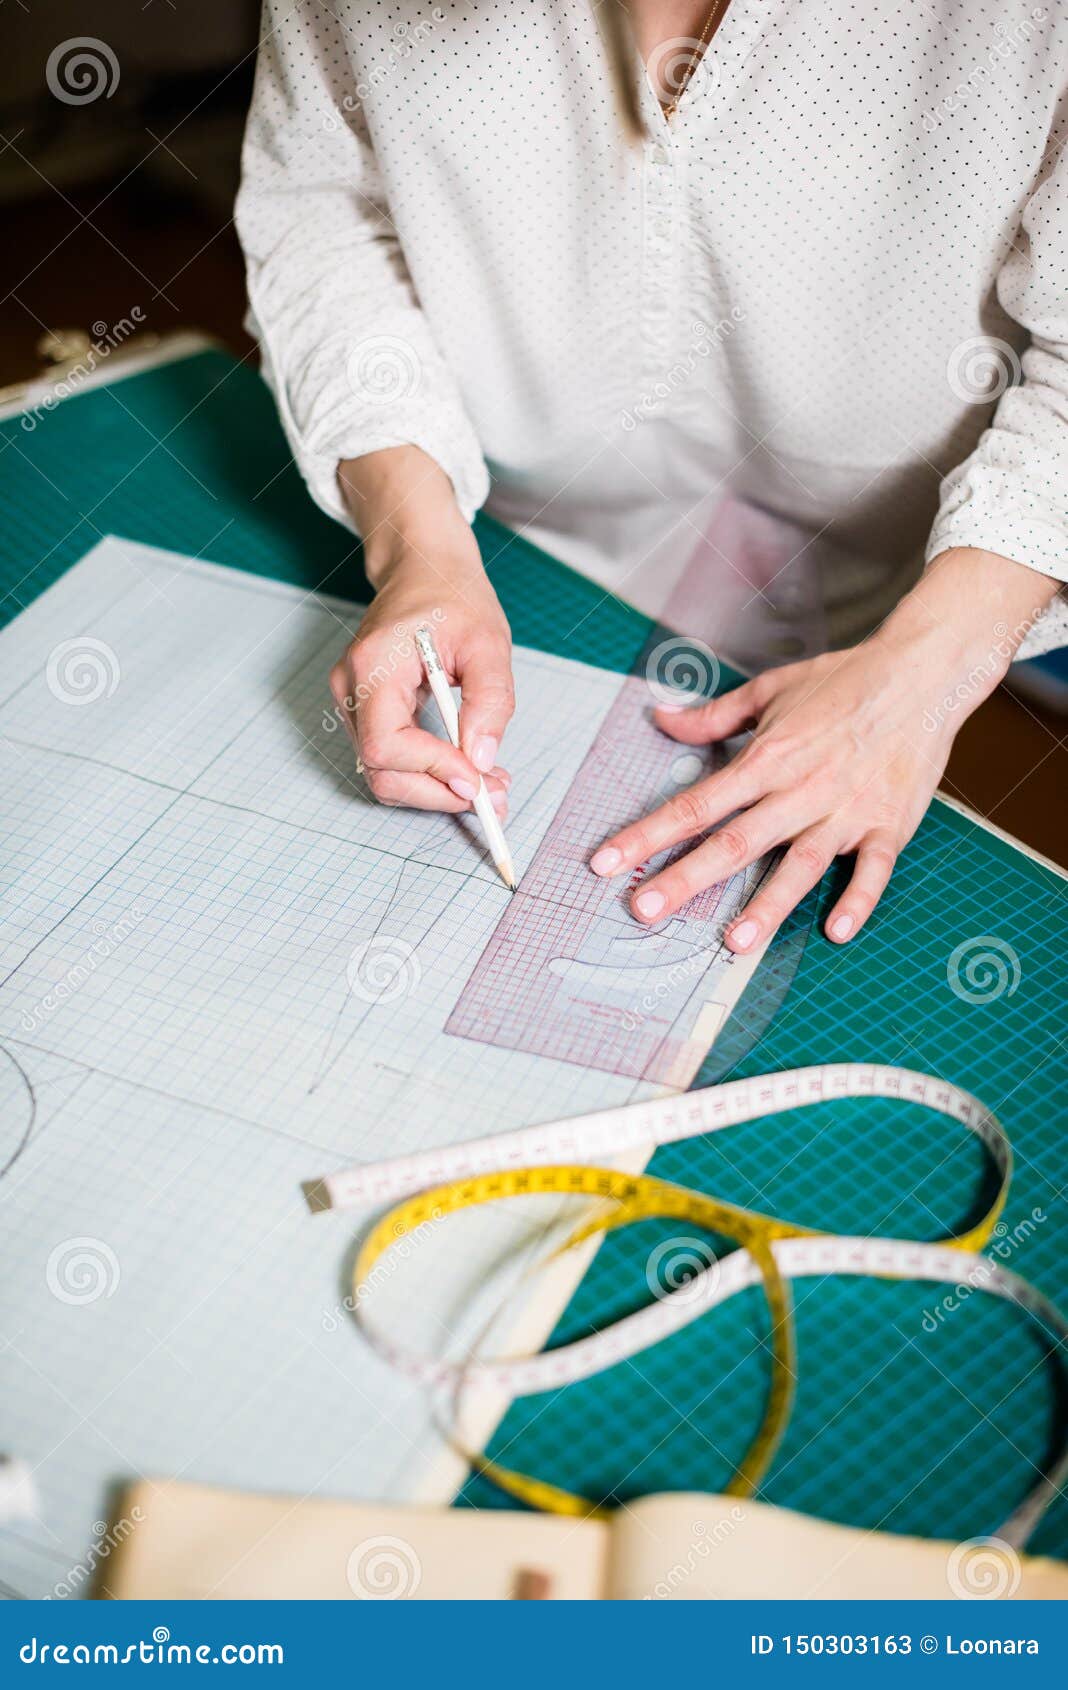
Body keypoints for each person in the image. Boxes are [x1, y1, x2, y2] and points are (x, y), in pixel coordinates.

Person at [235, 1, 1067, 952]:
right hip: (521, 539)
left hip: (899, 576)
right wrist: (418, 542)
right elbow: (325, 216)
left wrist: (924, 670)